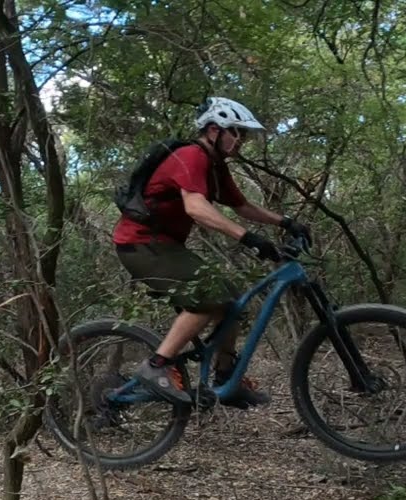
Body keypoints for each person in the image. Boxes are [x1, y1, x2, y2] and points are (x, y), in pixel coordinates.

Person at [111, 96, 310, 407]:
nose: (241, 141)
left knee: (232, 300)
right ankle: (157, 366)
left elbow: (242, 206)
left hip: (163, 246)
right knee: (207, 300)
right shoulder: (191, 156)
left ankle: (225, 376)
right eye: (237, 133)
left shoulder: (216, 167)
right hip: (140, 243)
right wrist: (249, 239)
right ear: (216, 131)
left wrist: (286, 221)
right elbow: (196, 207)